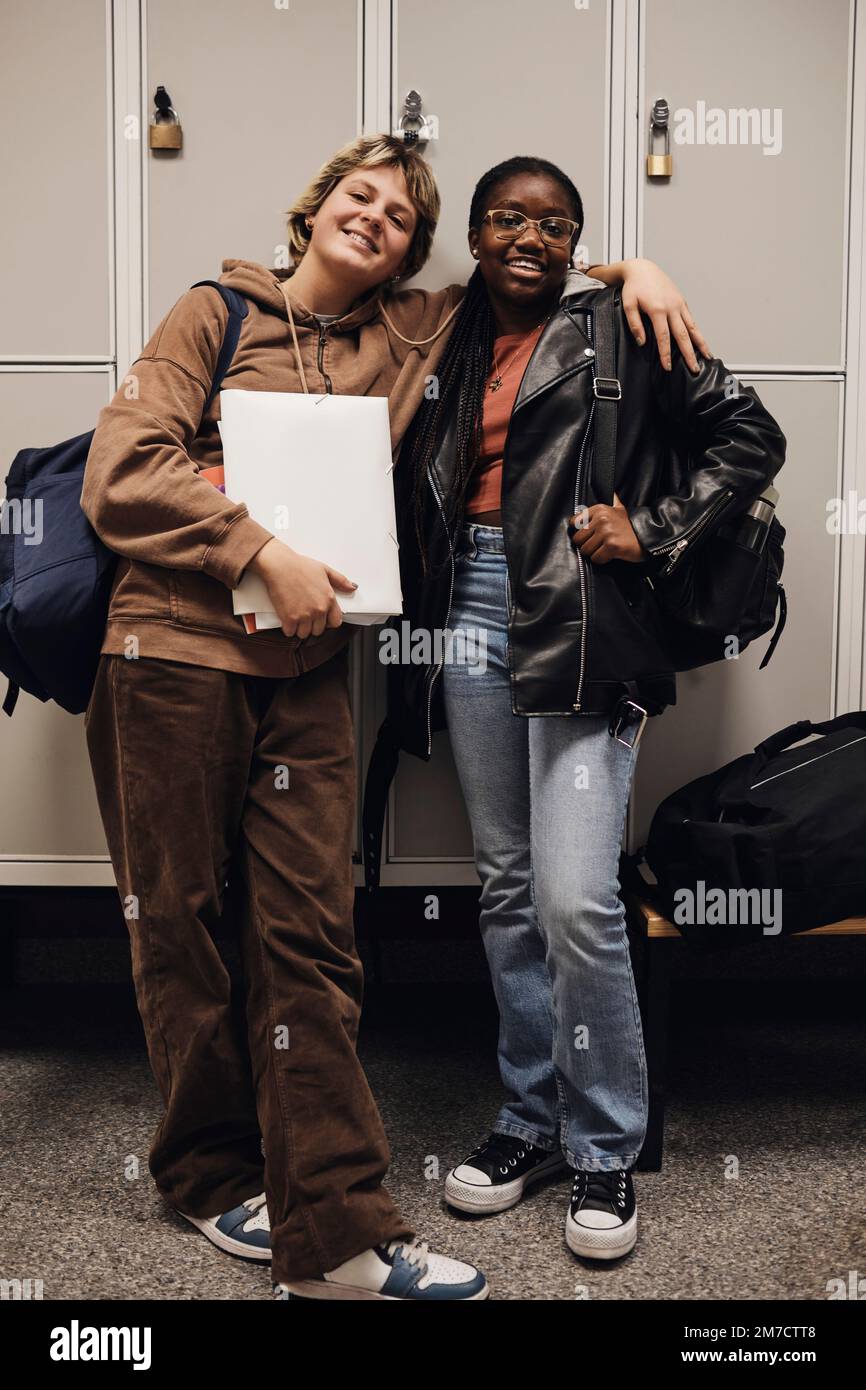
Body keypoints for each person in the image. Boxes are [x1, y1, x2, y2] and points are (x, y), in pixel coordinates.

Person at [80, 133, 710, 1300]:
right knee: (180, 923)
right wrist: (255, 546)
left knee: (313, 943)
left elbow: (529, 265)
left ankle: (334, 1226)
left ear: (412, 253)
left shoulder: (410, 329)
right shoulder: (214, 311)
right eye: (356, 198)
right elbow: (119, 468)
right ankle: (216, 1179)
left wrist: (635, 269)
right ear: (315, 207)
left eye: (397, 215)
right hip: (169, 650)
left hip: (310, 672)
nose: (373, 218)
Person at [367, 153, 785, 1264]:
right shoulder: (441, 330)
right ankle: (528, 1119)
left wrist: (648, 529)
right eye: (504, 216)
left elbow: (751, 435)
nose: (527, 236)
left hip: (585, 617)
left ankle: (601, 1143)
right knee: (505, 885)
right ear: (471, 230)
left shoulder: (623, 324)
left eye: (553, 223)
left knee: (573, 894)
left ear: (575, 239)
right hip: (464, 605)